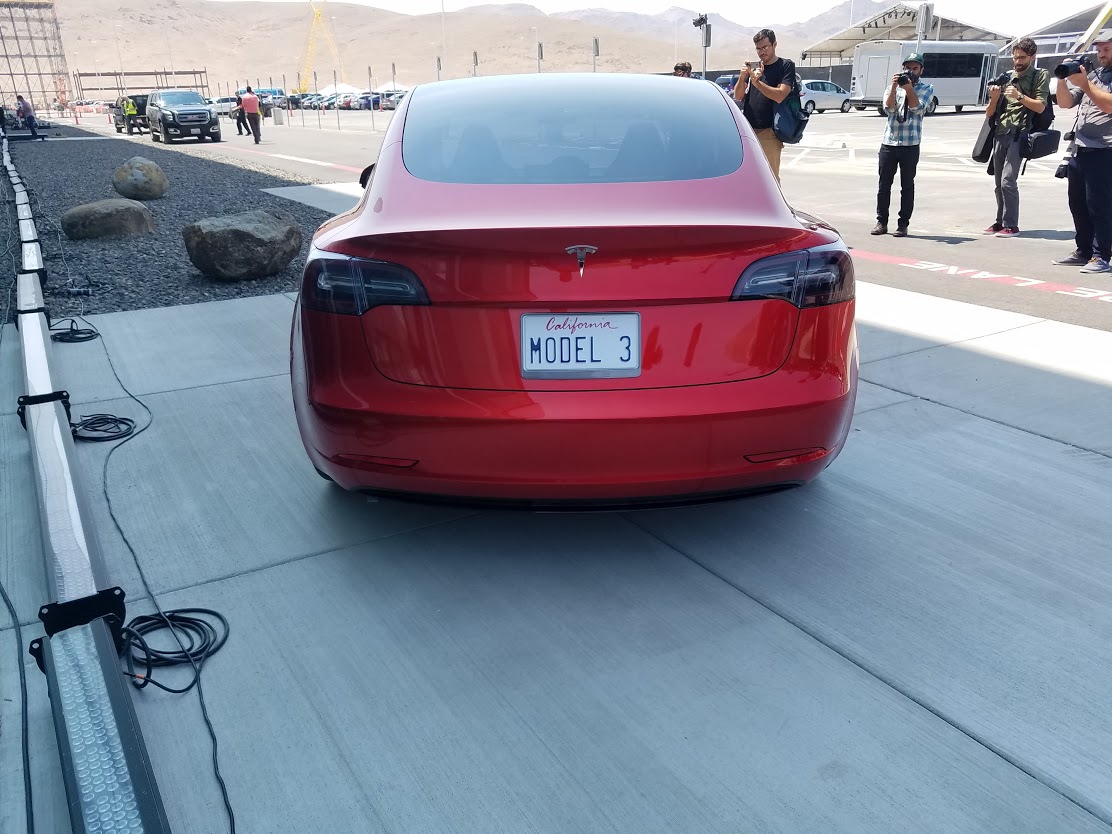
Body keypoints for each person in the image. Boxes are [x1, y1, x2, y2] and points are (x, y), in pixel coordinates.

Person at [1054, 32, 1112, 274]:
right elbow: (1065, 103)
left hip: (1104, 150)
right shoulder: (1094, 76)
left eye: (1107, 49)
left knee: (1099, 205)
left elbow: (1109, 105)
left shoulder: (1093, 80)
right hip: (1080, 148)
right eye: (1099, 49)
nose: (1101, 53)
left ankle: (1101, 256)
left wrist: (1085, 83)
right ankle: (1084, 250)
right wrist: (1062, 77)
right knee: (1077, 203)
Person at [983, 38, 1049, 239]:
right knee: (998, 183)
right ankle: (1000, 221)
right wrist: (994, 98)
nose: (1017, 61)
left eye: (1022, 57)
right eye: (1015, 57)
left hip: (1019, 133)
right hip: (1000, 132)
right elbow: (989, 113)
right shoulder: (1007, 77)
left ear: (1032, 56)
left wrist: (1020, 96)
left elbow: (1040, 106)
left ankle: (1012, 225)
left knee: (1007, 181)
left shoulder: (1040, 75)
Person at [871, 53, 933, 237]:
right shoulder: (894, 87)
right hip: (889, 142)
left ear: (921, 70)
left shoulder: (927, 88)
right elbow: (888, 109)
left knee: (907, 185)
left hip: (910, 144)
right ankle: (881, 222)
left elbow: (917, 108)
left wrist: (908, 89)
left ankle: (903, 224)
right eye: (908, 68)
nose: (911, 72)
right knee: (884, 185)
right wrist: (893, 88)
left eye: (915, 68)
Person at [734, 29, 796, 183]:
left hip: (769, 132)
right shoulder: (754, 69)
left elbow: (780, 95)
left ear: (774, 44)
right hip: (748, 130)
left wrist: (757, 82)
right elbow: (738, 96)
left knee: (770, 179)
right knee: (748, 178)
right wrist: (743, 77)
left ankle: (773, 207)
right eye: (758, 48)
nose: (761, 52)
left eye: (765, 47)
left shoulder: (785, 65)